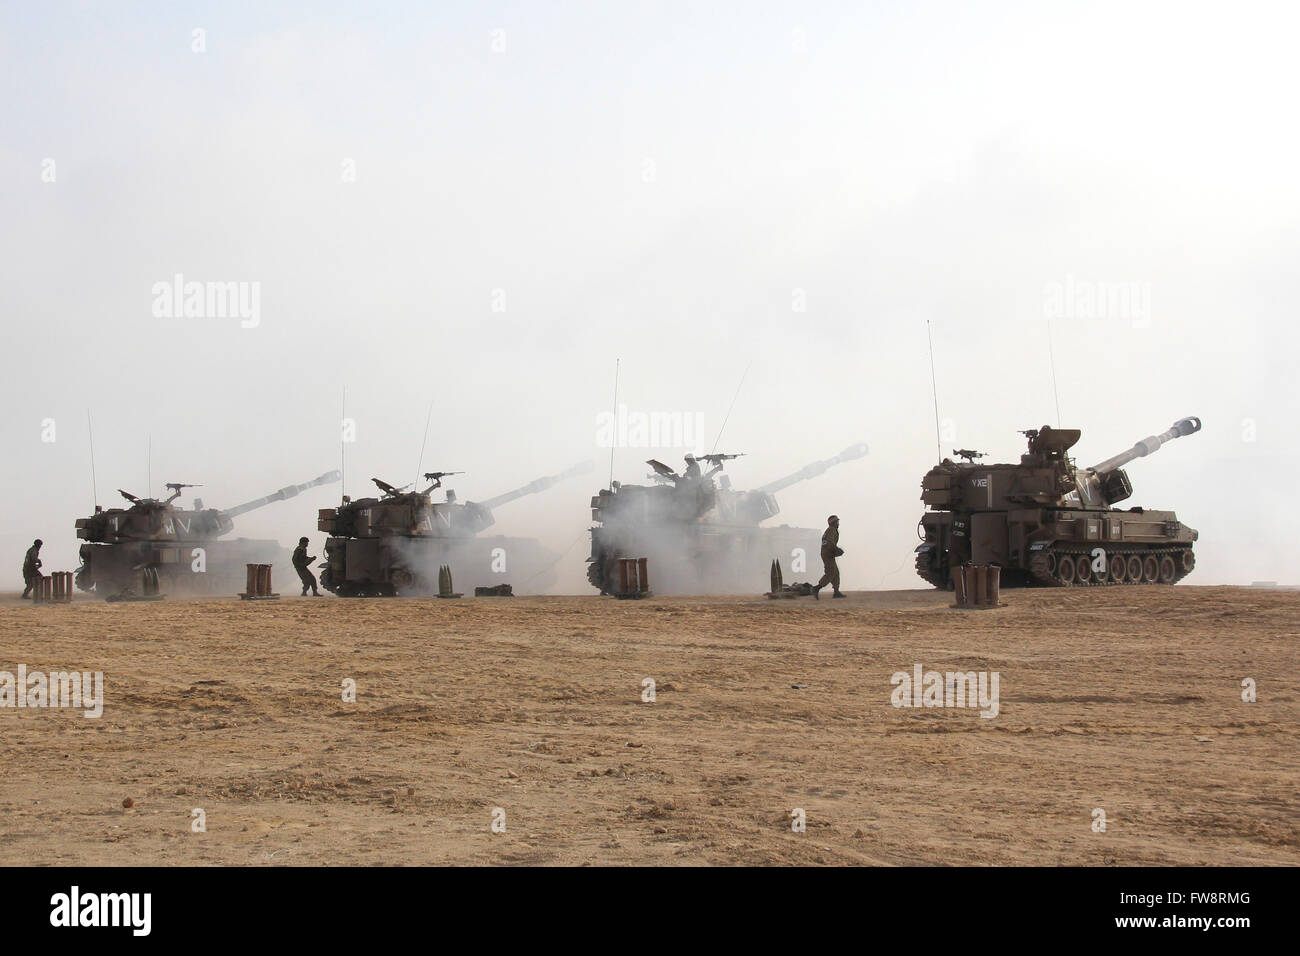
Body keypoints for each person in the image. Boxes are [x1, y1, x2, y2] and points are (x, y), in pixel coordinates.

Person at [812, 516, 845, 599]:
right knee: (830, 572)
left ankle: (836, 592)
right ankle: (816, 588)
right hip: (828, 554)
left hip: (828, 553)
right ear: (833, 523)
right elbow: (829, 543)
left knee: (836, 572)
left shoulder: (830, 530)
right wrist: (837, 550)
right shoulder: (831, 530)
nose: (838, 523)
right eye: (837, 522)